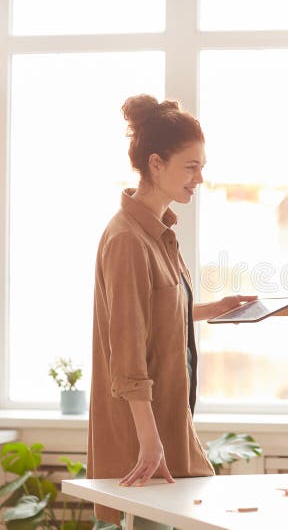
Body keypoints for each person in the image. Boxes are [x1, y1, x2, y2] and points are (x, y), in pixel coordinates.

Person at [88, 94, 255, 527]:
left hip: (169, 421)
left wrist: (217, 308)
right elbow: (126, 350)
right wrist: (149, 439)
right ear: (156, 164)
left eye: (202, 166)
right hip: (146, 433)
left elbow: (156, 316)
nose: (200, 178)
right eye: (191, 167)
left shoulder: (160, 233)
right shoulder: (127, 239)